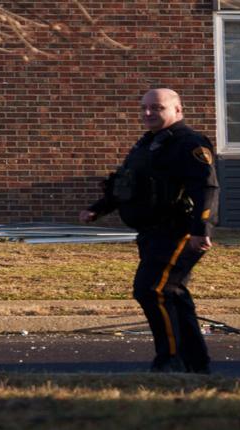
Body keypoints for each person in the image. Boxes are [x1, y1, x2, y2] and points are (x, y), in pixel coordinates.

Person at [81, 88, 219, 374]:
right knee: (172, 293)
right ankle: (196, 363)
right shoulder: (147, 144)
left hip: (179, 231)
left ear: (177, 110)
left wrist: (201, 228)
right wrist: (98, 208)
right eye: (144, 108)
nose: (148, 113)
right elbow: (125, 184)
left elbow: (206, 187)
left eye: (156, 108)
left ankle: (170, 359)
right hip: (151, 232)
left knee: (151, 289)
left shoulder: (189, 143)